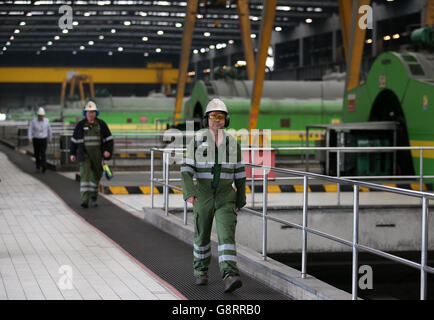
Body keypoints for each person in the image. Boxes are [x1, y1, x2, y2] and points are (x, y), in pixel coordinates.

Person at [181, 98, 246, 293]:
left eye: (220, 117)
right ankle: (201, 271)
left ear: (226, 120)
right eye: (213, 116)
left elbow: (240, 174)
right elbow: (186, 169)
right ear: (206, 119)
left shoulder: (232, 143)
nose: (216, 120)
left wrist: (240, 198)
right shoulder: (197, 141)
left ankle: (230, 275)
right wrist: (189, 192)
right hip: (203, 195)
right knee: (202, 236)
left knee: (227, 235)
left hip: (226, 196)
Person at [69, 101, 113, 208]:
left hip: (98, 155)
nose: (91, 114)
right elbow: (73, 141)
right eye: (88, 112)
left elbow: (109, 139)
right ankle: (84, 200)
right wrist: (72, 153)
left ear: (96, 113)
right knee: (85, 176)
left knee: (96, 177)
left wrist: (108, 151)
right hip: (84, 155)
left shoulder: (101, 124)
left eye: (93, 112)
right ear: (85, 113)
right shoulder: (80, 125)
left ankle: (93, 197)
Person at [28, 107, 52, 173]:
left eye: (41, 115)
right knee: (37, 154)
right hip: (36, 139)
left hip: (44, 140)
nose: (40, 117)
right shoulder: (33, 121)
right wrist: (29, 137)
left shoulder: (47, 121)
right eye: (39, 115)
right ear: (38, 115)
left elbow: (49, 130)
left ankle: (44, 165)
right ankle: (38, 166)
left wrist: (50, 138)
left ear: (43, 115)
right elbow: (30, 130)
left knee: (43, 153)